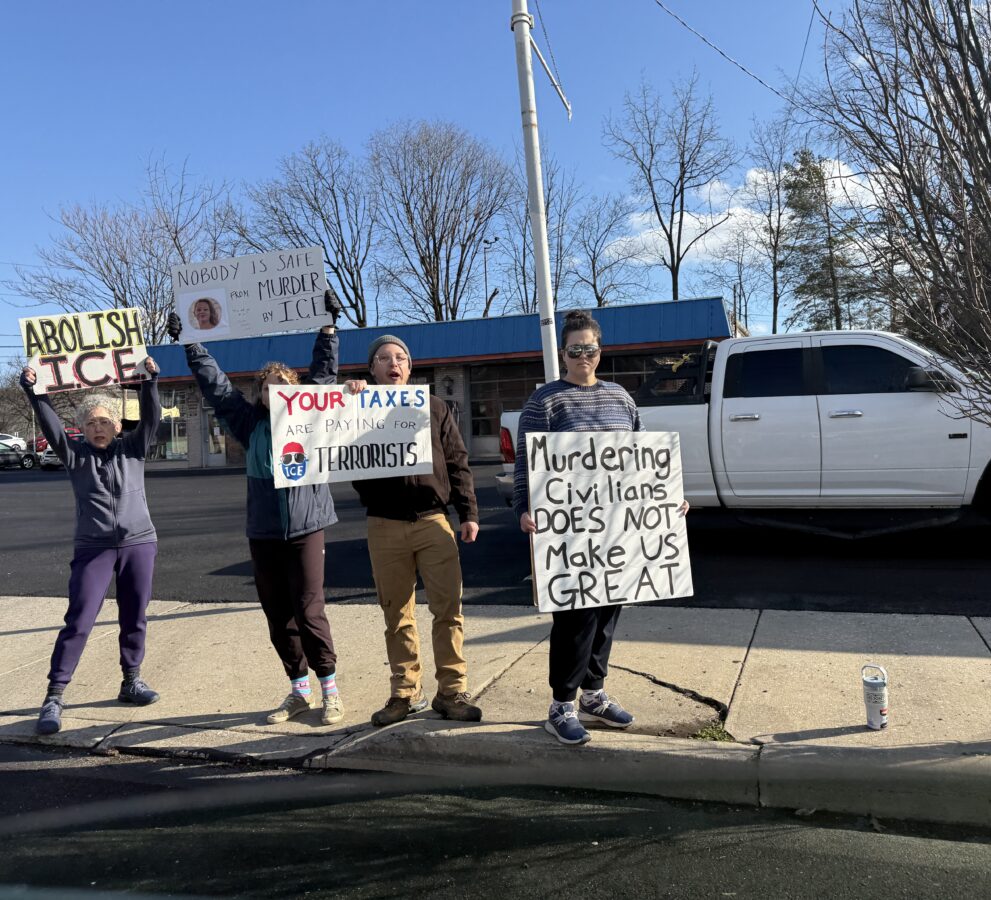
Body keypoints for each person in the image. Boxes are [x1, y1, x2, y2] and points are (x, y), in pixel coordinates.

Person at [167, 290, 347, 726]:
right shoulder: (248, 425)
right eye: (269, 388)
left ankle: (331, 690)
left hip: (308, 527)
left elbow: (324, 375)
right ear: (260, 395)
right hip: (264, 531)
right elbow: (217, 386)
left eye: (285, 386)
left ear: (297, 392)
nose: (277, 393)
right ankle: (298, 691)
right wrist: (191, 343)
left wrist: (328, 328)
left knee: (309, 609)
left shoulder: (309, 419)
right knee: (277, 612)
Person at [513, 310, 687, 746]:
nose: (583, 356)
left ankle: (594, 694)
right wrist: (524, 508)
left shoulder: (620, 397)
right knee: (574, 618)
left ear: (599, 352)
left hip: (617, 532)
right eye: (575, 350)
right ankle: (561, 705)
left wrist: (666, 499)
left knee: (608, 615)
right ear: (563, 353)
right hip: (568, 532)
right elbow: (526, 465)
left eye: (590, 348)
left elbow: (641, 458)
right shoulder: (546, 402)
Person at [343, 335, 483, 726]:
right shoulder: (355, 408)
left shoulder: (434, 408)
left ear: (409, 367)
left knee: (448, 610)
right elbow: (321, 434)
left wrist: (468, 512)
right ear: (372, 369)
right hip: (384, 524)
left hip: (433, 521)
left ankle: (452, 692)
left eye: (401, 358)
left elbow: (457, 462)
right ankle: (405, 693)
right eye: (384, 358)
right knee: (397, 613)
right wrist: (347, 398)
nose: (394, 363)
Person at [22, 357, 163, 736]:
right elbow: (51, 427)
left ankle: (131, 680)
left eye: (105, 422)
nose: (98, 428)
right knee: (80, 620)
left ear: (117, 426)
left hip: (139, 543)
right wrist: (34, 390)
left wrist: (149, 381)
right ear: (81, 429)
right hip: (94, 548)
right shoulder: (75, 455)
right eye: (91, 423)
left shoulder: (133, 449)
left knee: (135, 615)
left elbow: (151, 418)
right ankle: (54, 695)